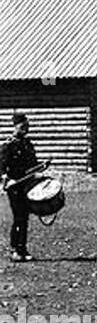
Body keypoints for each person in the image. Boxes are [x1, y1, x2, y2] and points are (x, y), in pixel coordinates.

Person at [0, 112, 41, 262]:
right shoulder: (8, 145)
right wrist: (6, 179)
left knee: (24, 218)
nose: (26, 129)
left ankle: (23, 249)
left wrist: (39, 170)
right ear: (15, 126)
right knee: (19, 217)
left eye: (27, 126)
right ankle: (15, 250)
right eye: (23, 126)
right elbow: (2, 167)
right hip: (14, 187)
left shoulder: (27, 144)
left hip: (27, 185)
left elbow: (33, 164)